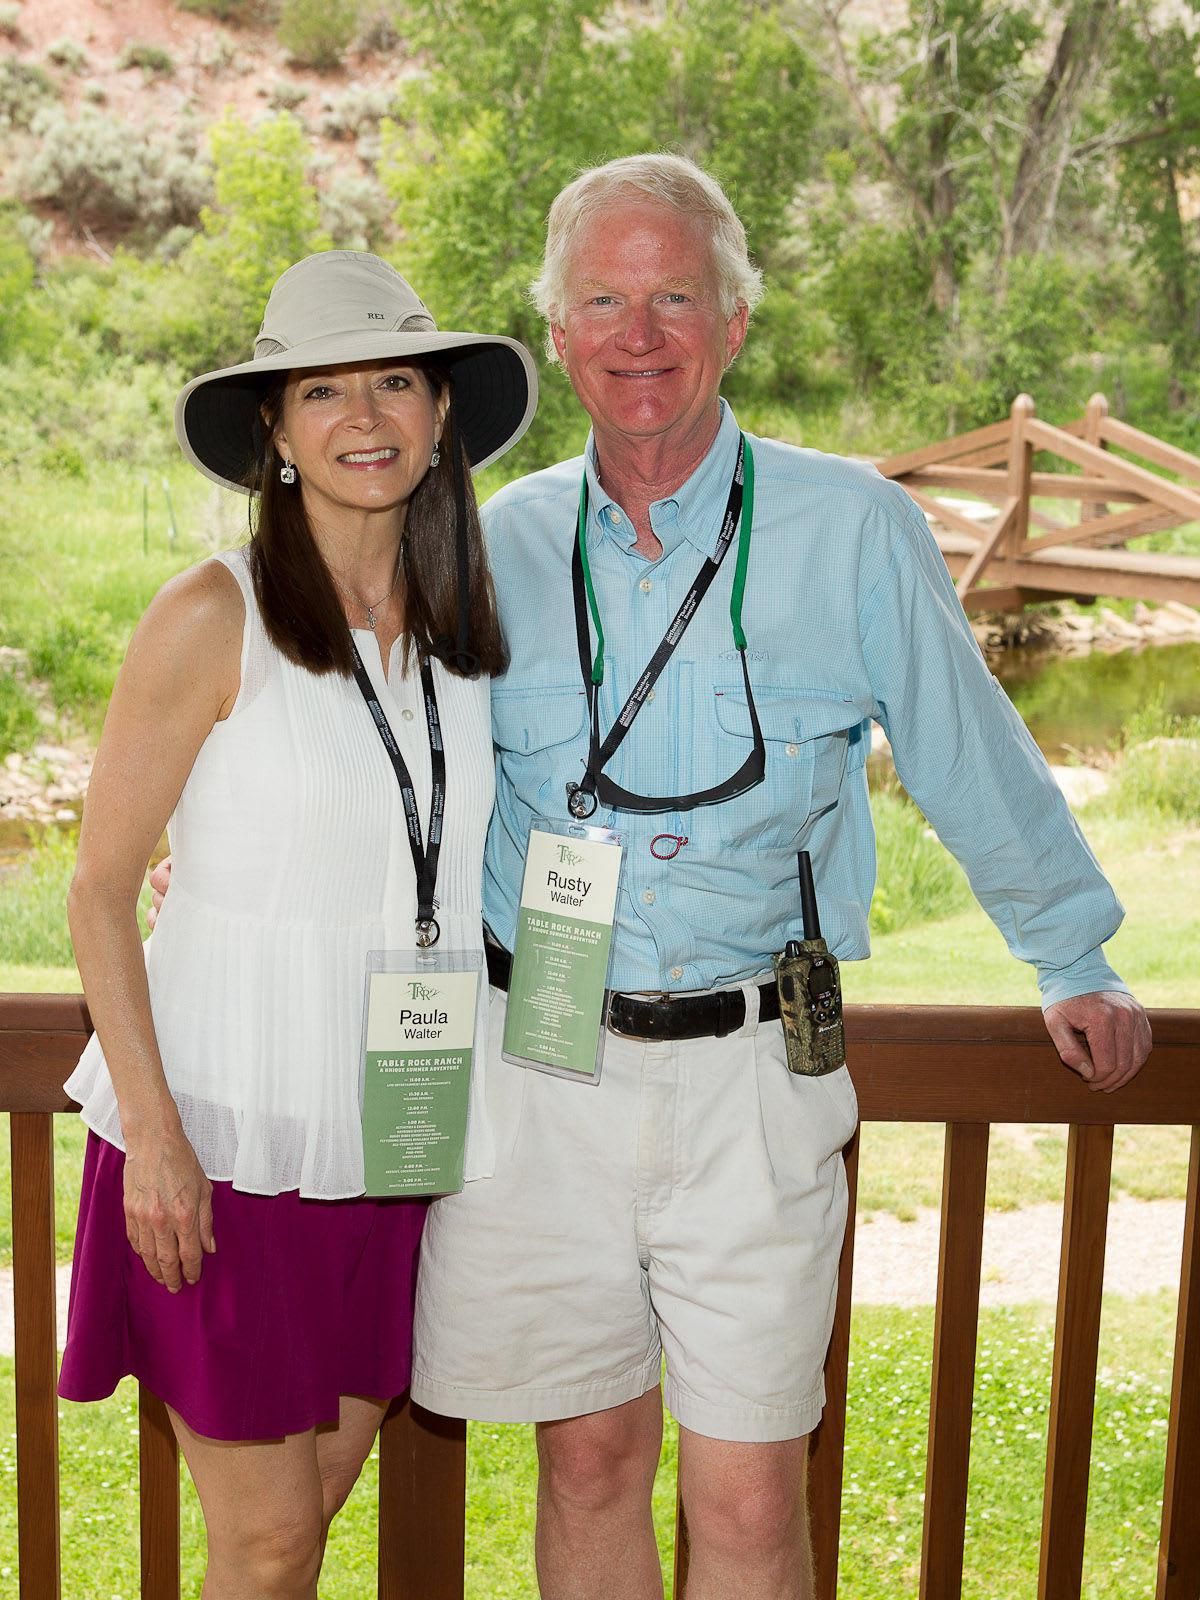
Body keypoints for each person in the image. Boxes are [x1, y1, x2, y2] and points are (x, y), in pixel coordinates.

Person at [403, 155, 1154, 1600]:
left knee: (749, 1489)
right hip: (540, 1058)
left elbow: (967, 749)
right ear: (557, 331)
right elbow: (402, 778)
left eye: (677, 295)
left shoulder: (853, 528)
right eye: (605, 299)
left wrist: (1070, 952)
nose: (642, 333)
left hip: (754, 1073)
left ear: (737, 321)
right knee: (590, 1462)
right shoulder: (490, 545)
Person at [58, 250, 536, 1600]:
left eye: (395, 381)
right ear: (273, 431)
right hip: (222, 1134)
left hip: (391, 1129)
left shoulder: (462, 627)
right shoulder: (214, 613)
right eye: (321, 389)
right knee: (268, 1542)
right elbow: (96, 887)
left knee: (300, 1526)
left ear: (441, 413)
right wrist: (158, 1139)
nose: (365, 417)